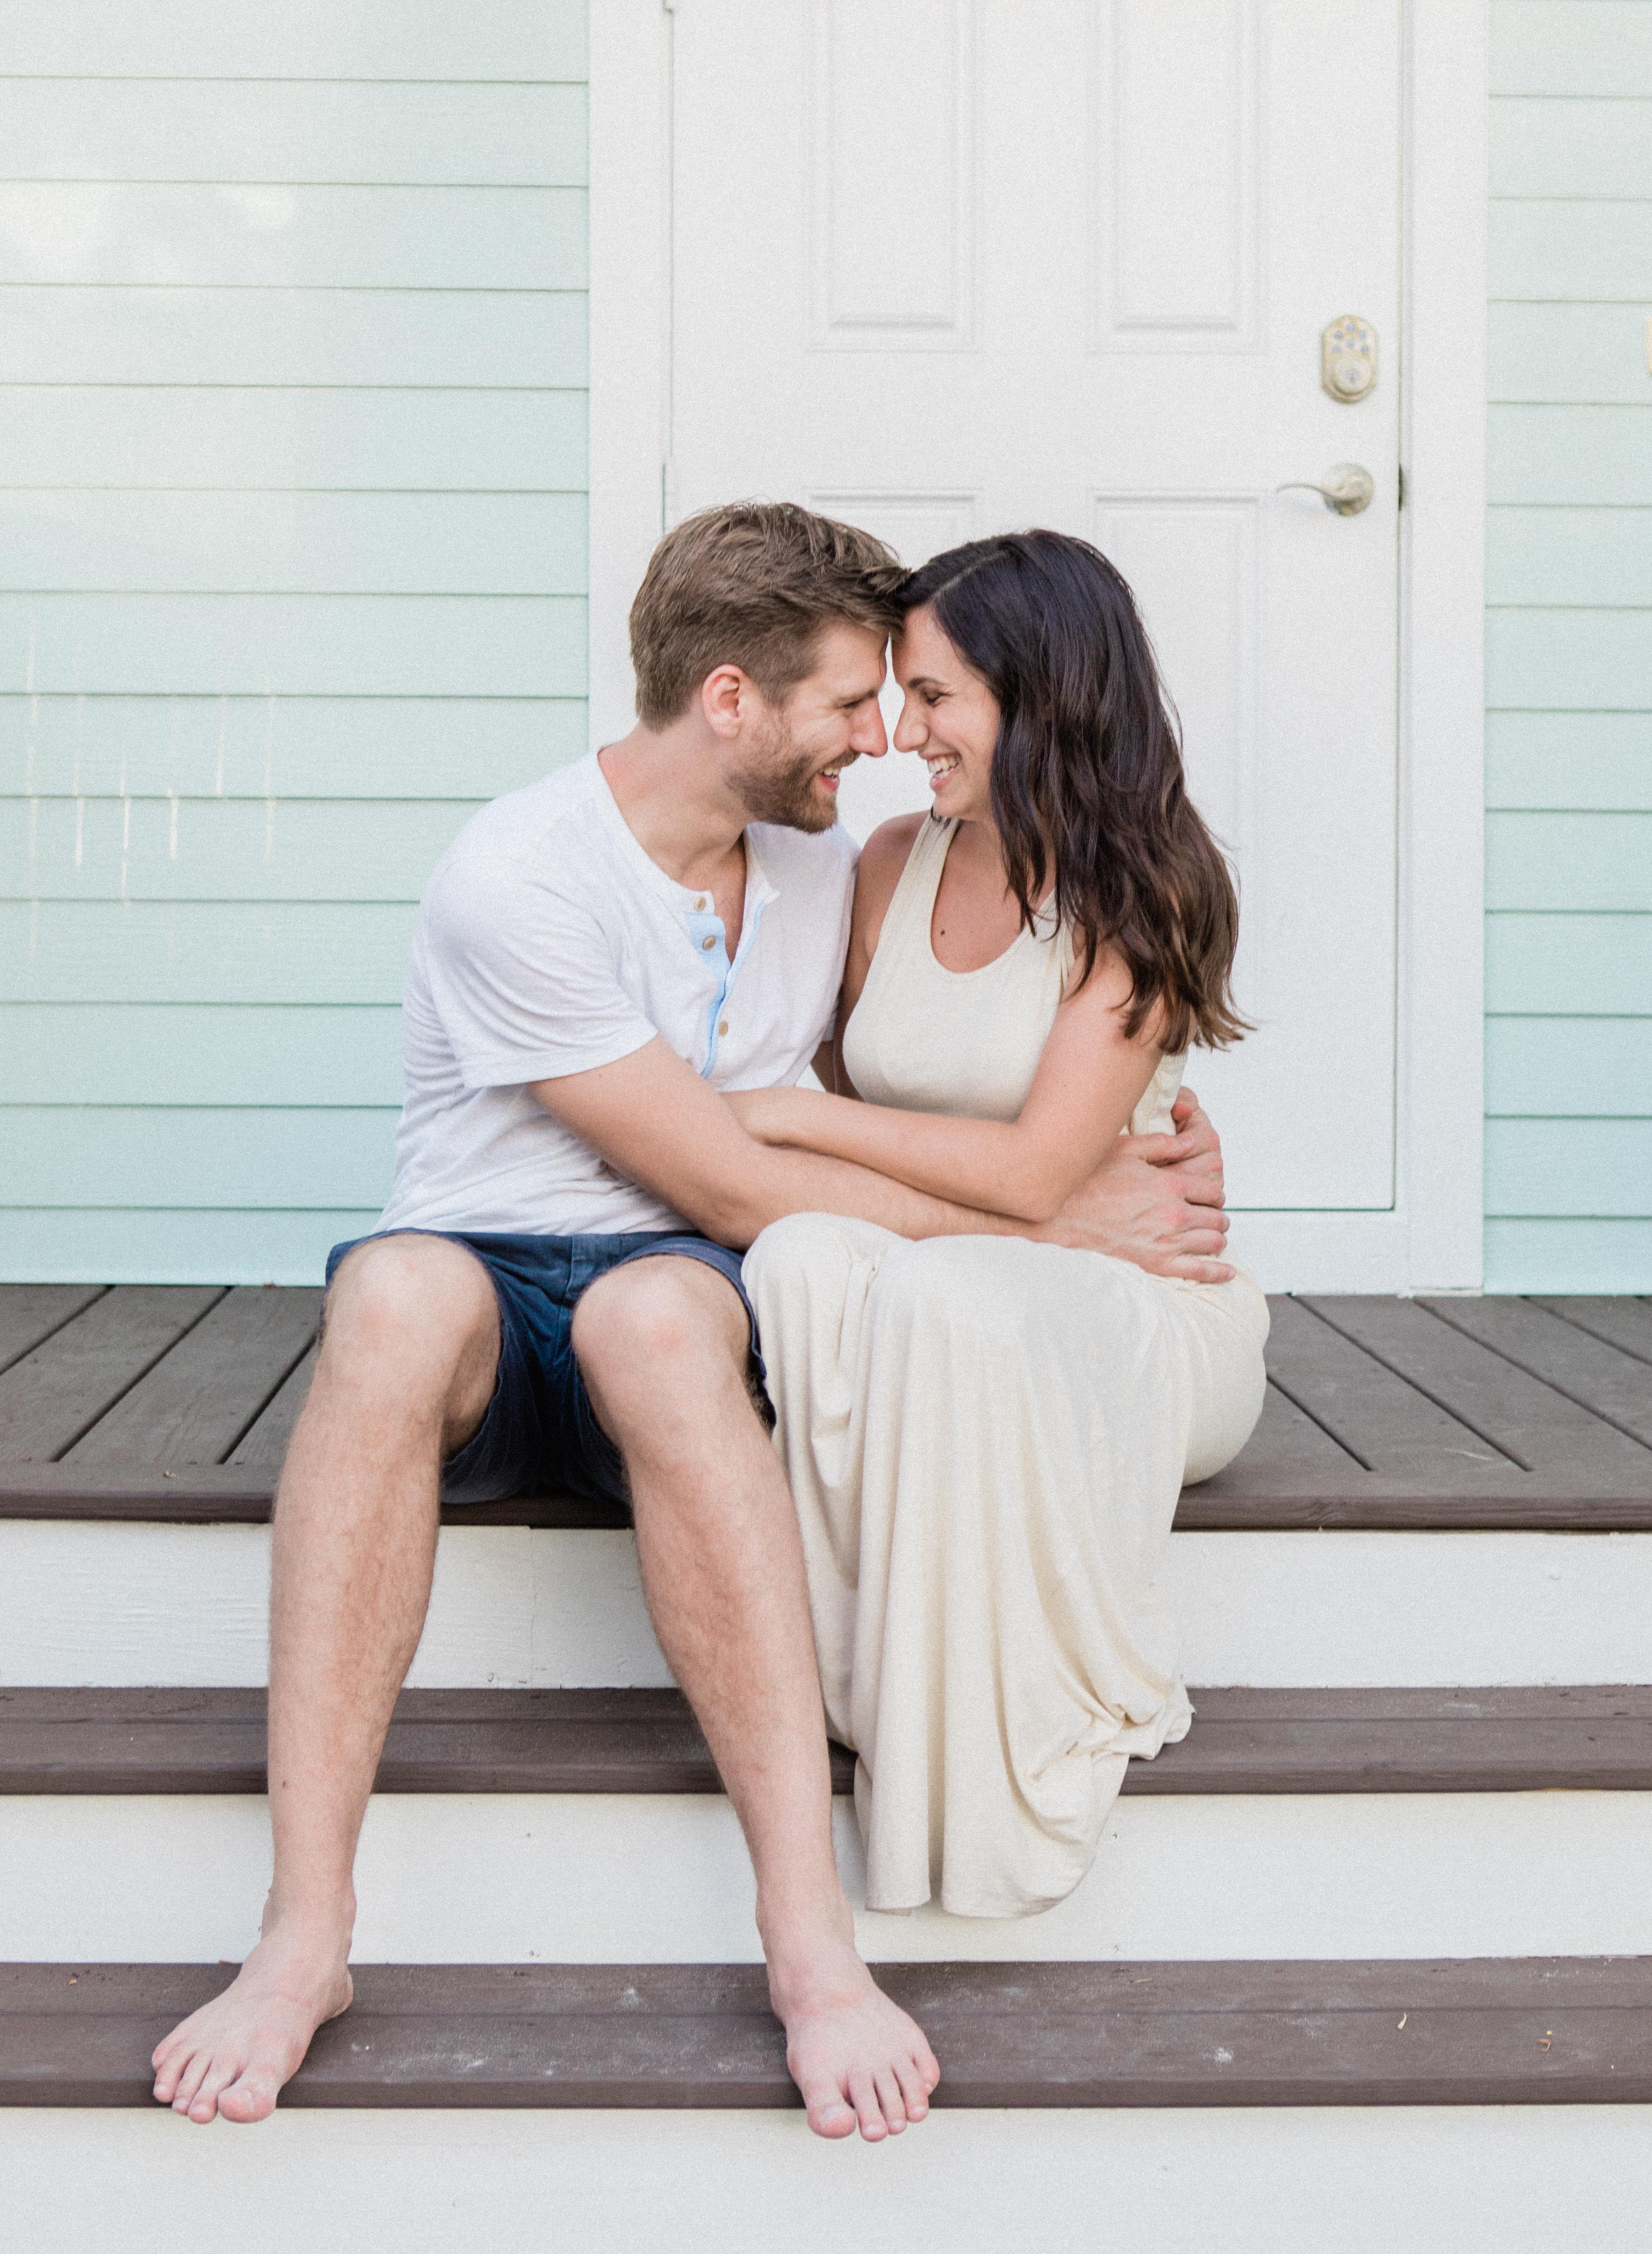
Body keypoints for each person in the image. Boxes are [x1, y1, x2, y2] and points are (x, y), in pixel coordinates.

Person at [147, 504, 1235, 2142]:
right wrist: (1049, 1206)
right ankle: (306, 1935)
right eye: (852, 704)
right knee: (385, 1292)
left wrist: (1086, 1169)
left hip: (680, 1301)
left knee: (657, 1323)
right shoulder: (516, 878)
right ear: (729, 702)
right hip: (494, 1279)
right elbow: (739, 1173)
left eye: (905, 703)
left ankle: (808, 1948)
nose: (877, 741)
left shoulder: (828, 870)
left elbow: (896, 1095)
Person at [730, 531, 1269, 1917]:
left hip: (1145, 1299)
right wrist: (979, 1189)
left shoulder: (1145, 886)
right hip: (994, 1257)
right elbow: (943, 1156)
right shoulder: (893, 864)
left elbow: (1027, 1173)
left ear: (1042, 697)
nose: (900, 735)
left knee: (941, 1297)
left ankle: (986, 1752)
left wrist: (783, 1117)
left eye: (932, 697)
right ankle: (865, 1690)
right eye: (901, 697)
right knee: (798, 1258)